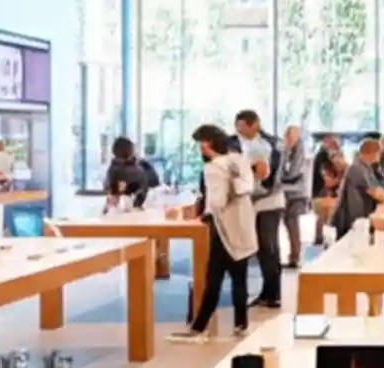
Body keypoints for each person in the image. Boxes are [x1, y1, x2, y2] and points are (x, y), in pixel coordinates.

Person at [168, 125, 257, 344]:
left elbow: (217, 201)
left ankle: (199, 327)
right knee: (239, 278)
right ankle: (240, 324)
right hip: (243, 227)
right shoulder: (239, 161)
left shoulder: (214, 168)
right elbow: (247, 188)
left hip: (223, 228)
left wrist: (199, 214)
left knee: (214, 279)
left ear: (207, 144)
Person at [234, 110, 284, 309]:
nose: (238, 130)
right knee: (256, 249)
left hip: (268, 201)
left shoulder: (269, 144)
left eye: (241, 126)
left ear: (254, 124)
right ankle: (263, 292)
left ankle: (272, 294)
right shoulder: (237, 143)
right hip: (250, 201)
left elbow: (271, 175)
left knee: (268, 248)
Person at [331, 138, 384, 239]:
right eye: (379, 153)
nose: (380, 157)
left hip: (358, 220)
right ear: (373, 153)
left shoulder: (367, 168)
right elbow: (375, 192)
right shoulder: (357, 168)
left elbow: (379, 188)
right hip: (349, 222)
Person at [281, 125, 309, 269]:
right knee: (290, 225)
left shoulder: (299, 151)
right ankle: (293, 255)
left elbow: (292, 173)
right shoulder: (288, 150)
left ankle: (295, 256)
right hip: (288, 192)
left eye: (290, 136)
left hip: (296, 193)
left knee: (292, 225)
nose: (288, 139)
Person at [103, 136, 150, 211]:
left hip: (118, 209)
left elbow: (110, 189)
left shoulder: (115, 168)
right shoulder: (139, 169)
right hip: (137, 209)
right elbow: (144, 189)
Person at [312, 133, 341, 245]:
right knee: (324, 217)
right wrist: (341, 177)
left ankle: (319, 238)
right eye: (334, 144)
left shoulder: (323, 157)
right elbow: (328, 182)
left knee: (322, 218)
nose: (336, 147)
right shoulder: (322, 158)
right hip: (322, 194)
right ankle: (320, 239)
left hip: (321, 194)